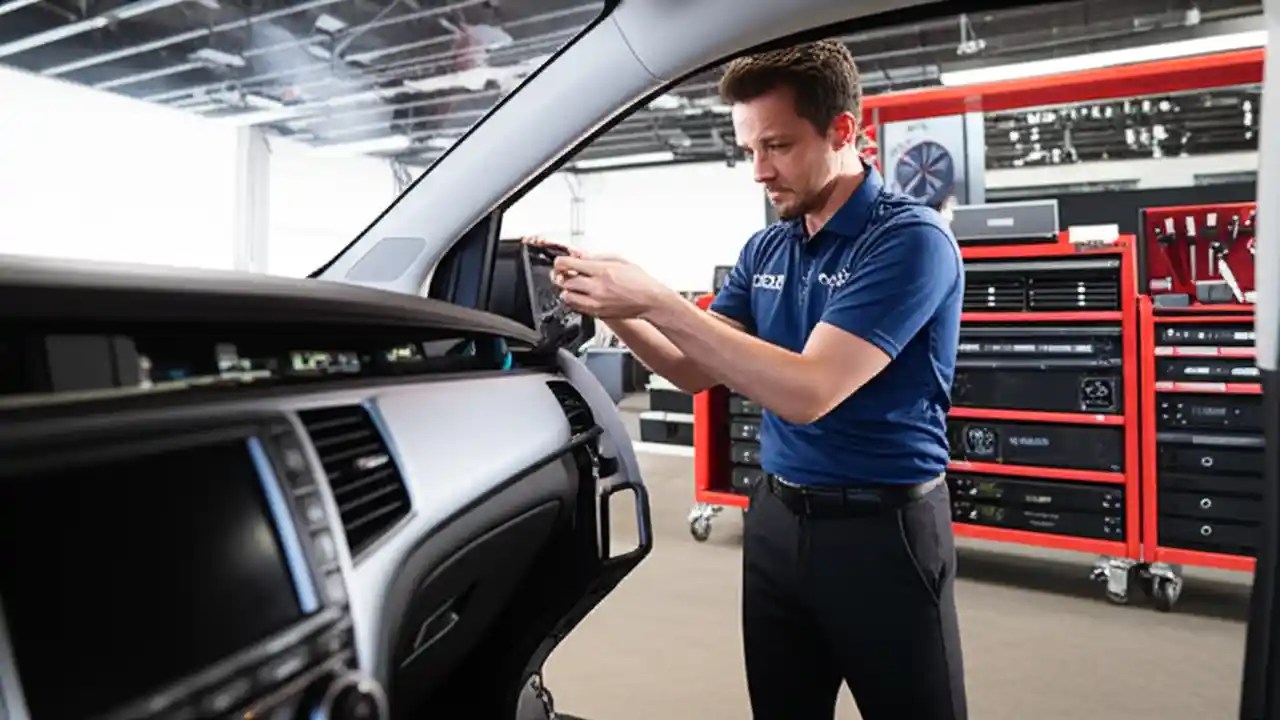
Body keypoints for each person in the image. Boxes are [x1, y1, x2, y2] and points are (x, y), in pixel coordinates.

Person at [529, 39, 966, 720]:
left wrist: (655, 299)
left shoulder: (908, 241)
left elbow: (809, 390)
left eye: (778, 146)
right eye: (748, 151)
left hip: (882, 534)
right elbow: (693, 368)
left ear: (843, 130)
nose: (759, 170)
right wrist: (608, 307)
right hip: (776, 522)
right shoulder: (768, 245)